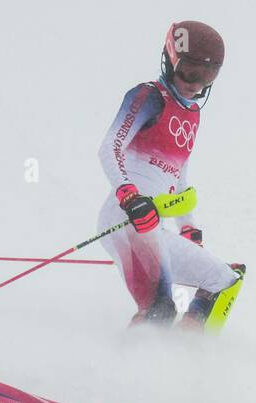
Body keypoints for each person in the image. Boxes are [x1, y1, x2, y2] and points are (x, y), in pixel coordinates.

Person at [97, 21, 244, 331]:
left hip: (153, 225)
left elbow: (178, 174)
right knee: (159, 309)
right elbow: (110, 147)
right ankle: (115, 373)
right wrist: (131, 197)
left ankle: (183, 357)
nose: (197, 83)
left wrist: (189, 228)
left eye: (208, 75)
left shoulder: (191, 112)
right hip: (126, 219)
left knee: (224, 281)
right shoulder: (149, 96)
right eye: (190, 70)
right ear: (170, 58)